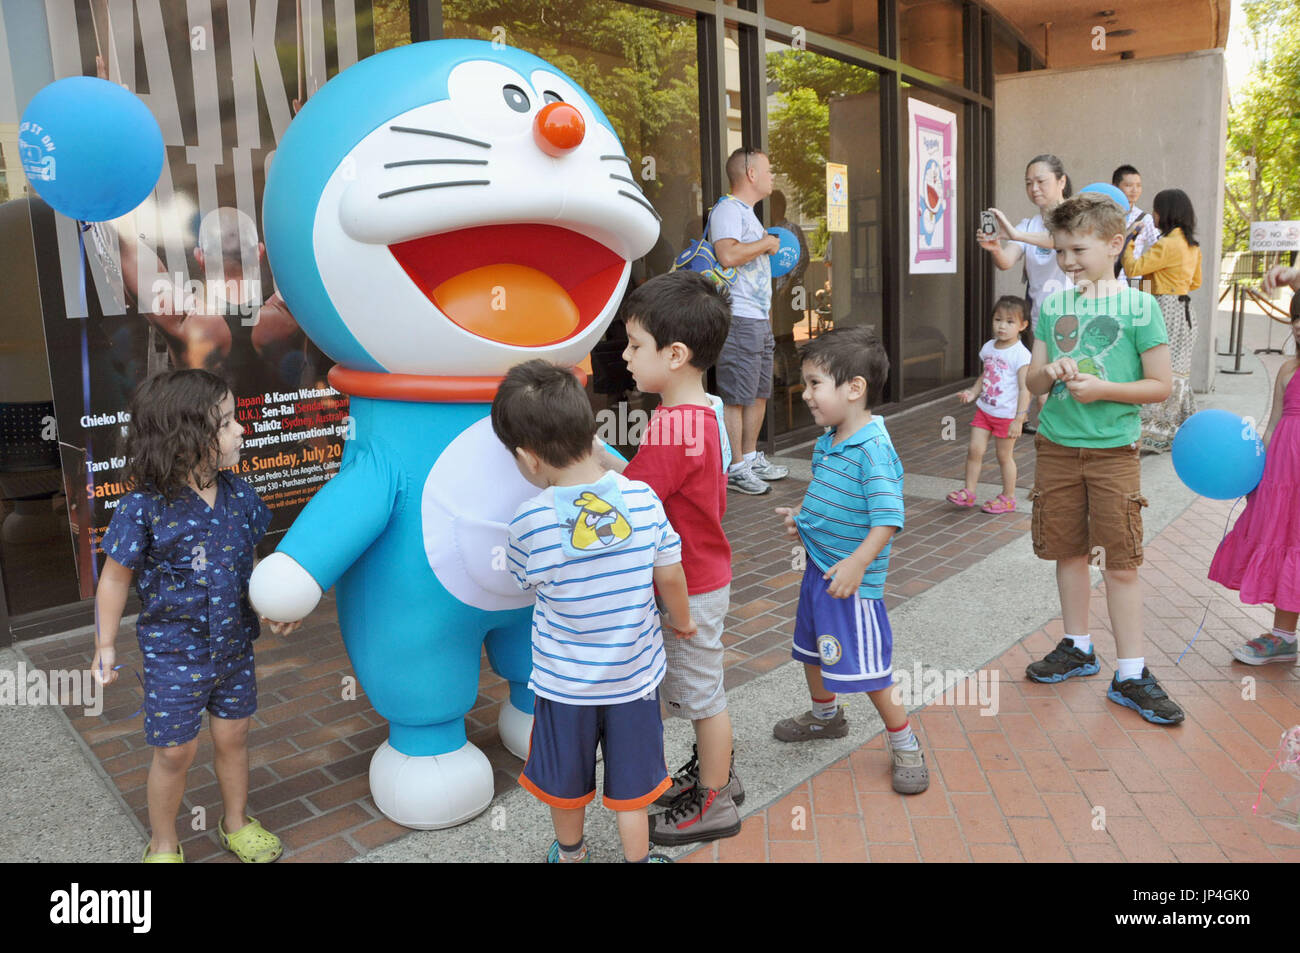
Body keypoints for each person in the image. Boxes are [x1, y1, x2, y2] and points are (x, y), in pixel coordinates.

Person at [92, 369, 300, 863]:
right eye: (226, 423)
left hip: (232, 648)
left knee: (234, 735)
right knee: (174, 752)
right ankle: (164, 842)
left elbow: (251, 564)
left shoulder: (241, 496)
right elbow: (115, 578)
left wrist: (274, 605)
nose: (240, 430)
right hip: (172, 653)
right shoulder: (143, 508)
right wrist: (104, 644)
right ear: (185, 439)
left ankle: (236, 823)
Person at [493, 360, 695, 863]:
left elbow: (523, 580)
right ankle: (639, 860)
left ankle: (571, 854)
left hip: (564, 686)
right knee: (635, 787)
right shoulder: (643, 498)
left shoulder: (529, 522)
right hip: (633, 678)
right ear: (592, 430)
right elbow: (670, 574)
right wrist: (683, 620)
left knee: (565, 783)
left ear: (528, 458)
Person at [592, 271, 743, 847]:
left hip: (692, 586)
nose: (625, 357)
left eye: (635, 346)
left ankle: (714, 799)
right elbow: (644, 481)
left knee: (703, 696)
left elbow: (633, 498)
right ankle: (714, 777)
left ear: (674, 355)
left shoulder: (673, 427)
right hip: (702, 576)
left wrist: (588, 466)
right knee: (701, 690)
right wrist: (606, 455)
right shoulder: (702, 410)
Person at [1024, 193, 1183, 725]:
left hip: (1115, 454)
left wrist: (1106, 390)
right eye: (1061, 250)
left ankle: (1132, 672)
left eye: (1078, 250)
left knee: (1121, 564)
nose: (1068, 261)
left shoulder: (1141, 308)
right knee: (1067, 553)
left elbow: (1160, 386)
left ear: (1115, 244)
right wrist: (1050, 374)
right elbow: (1033, 378)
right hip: (1057, 450)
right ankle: (1078, 646)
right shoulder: (1051, 305)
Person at [770, 326, 929, 795]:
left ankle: (905, 742)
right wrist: (804, 516)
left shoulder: (873, 450)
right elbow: (831, 494)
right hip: (821, 571)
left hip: (850, 582)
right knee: (811, 649)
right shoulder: (830, 440)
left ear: (854, 388)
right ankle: (826, 717)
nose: (806, 394)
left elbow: (888, 517)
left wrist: (859, 563)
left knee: (871, 670)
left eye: (815, 383)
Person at [1207, 305, 1300, 666]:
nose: (1298, 325)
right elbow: (1274, 424)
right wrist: (1254, 471)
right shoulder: (1287, 369)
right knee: (1285, 541)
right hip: (1282, 475)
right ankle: (1283, 635)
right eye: (1296, 316)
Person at [710, 147, 788, 494]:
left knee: (758, 392)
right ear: (751, 174)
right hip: (739, 317)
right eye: (768, 170)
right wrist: (766, 243)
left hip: (757, 318)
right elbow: (726, 255)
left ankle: (751, 456)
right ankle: (736, 468)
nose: (773, 176)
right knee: (737, 396)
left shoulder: (749, 214)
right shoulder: (727, 209)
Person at [982, 154, 1073, 433]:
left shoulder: (1076, 217)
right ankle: (1049, 442)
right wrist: (996, 247)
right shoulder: (1027, 225)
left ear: (1061, 181)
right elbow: (1007, 261)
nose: (1034, 188)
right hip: (1041, 317)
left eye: (1041, 181)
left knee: (1070, 384)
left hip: (1074, 315)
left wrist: (1016, 235)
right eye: (1028, 183)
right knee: (1043, 387)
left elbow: (1062, 240)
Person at [1121, 188, 1203, 453]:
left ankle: (1151, 431)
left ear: (1165, 212)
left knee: (1155, 367)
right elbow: (1196, 282)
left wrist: (1130, 240)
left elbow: (1133, 269)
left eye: (1156, 209)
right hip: (1185, 309)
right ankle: (1175, 430)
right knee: (1178, 371)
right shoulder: (1191, 244)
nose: (1153, 214)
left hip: (1164, 307)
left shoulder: (1168, 243)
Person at [947, 295, 1033, 514]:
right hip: (985, 410)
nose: (1002, 326)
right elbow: (986, 374)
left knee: (1004, 457)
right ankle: (968, 492)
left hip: (1006, 416)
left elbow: (1026, 389)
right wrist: (973, 392)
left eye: (1010, 321)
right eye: (998, 319)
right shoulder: (989, 347)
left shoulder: (1021, 354)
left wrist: (1019, 419)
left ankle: (1008, 497)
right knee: (974, 450)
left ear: (1023, 325)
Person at [1112, 164, 1160, 282]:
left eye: (1138, 186)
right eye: (1128, 185)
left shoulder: (1145, 219)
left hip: (1131, 282)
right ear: (1115, 187)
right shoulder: (1103, 215)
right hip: (1105, 281)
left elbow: (1159, 247)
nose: (1135, 190)